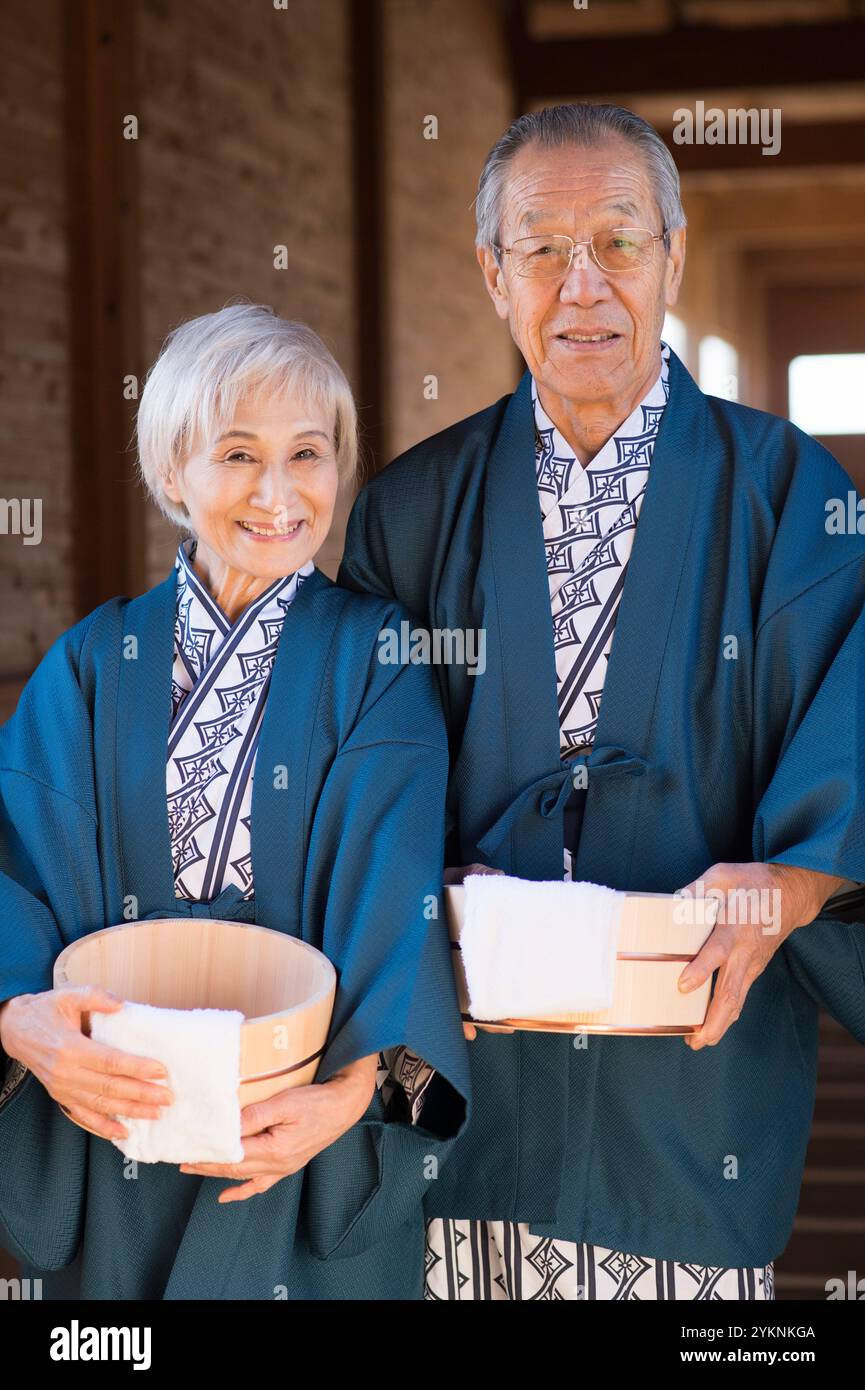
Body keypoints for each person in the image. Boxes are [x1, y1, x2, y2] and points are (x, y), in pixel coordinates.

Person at [338, 102, 865, 1300]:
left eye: (619, 242)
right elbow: (360, 775)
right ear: (492, 273)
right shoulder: (413, 509)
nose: (583, 286)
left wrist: (793, 881)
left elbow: (853, 715)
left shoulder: (788, 494)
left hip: (688, 1087)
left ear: (673, 255)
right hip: (477, 1082)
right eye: (541, 247)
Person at [0, 302, 470, 1300]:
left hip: (298, 1135)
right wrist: (18, 1018)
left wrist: (349, 1096)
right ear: (172, 473)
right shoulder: (93, 661)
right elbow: (14, 868)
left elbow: (399, 888)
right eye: (237, 454)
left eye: (309, 452)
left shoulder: (379, 653)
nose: (278, 492)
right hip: (119, 1128)